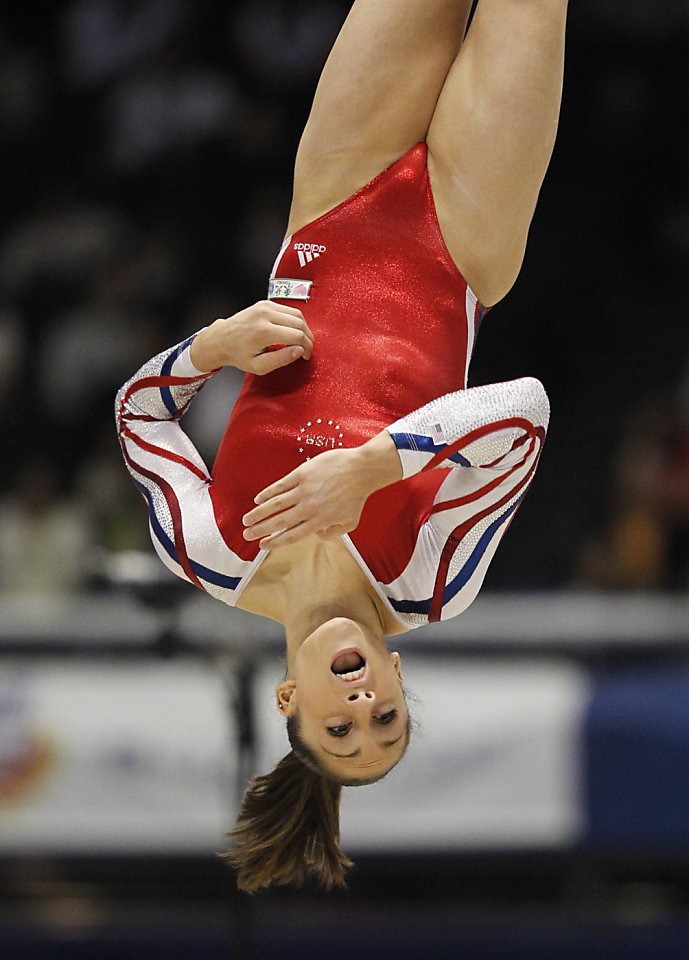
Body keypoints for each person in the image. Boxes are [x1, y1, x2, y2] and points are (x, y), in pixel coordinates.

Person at [115, 0, 567, 892]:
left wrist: (210, 348)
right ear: (398, 676)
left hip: (331, 200)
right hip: (464, 247)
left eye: (340, 729)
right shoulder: (429, 582)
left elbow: (141, 421)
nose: (363, 706)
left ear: (288, 702)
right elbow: (523, 416)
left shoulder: (211, 553)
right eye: (388, 719)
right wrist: (371, 467)